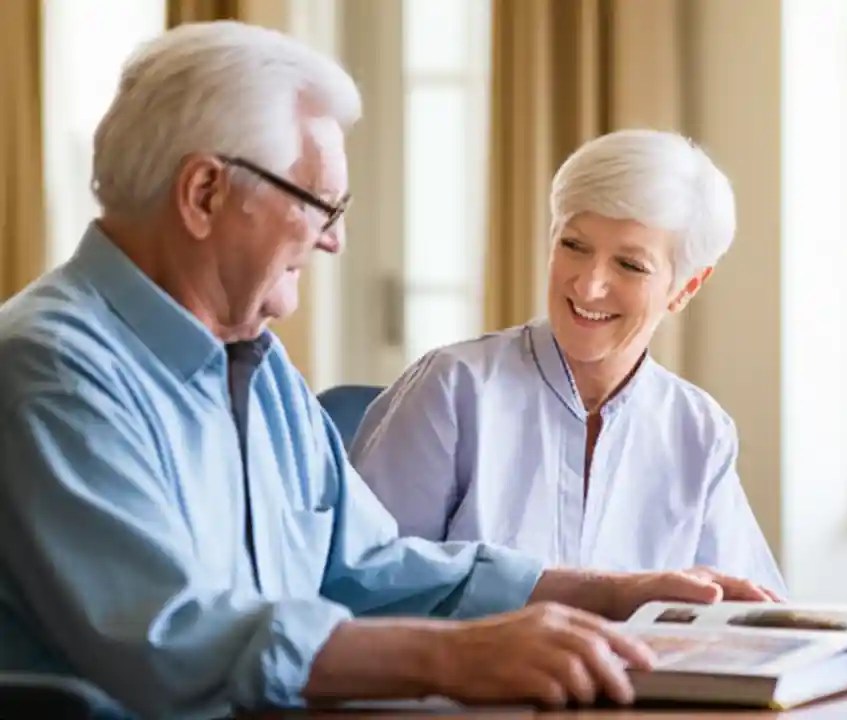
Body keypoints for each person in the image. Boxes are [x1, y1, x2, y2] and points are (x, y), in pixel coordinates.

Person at [0, 22, 770, 719]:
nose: (333, 241)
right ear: (204, 193)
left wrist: (605, 594)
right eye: (318, 205)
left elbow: (366, 564)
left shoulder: (260, 371)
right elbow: (167, 637)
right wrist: (454, 656)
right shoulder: (51, 369)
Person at [350, 130, 786, 595]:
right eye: (574, 246)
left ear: (685, 288)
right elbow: (364, 583)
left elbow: (751, 613)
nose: (589, 285)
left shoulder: (700, 430)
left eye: (630, 265)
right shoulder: (454, 388)